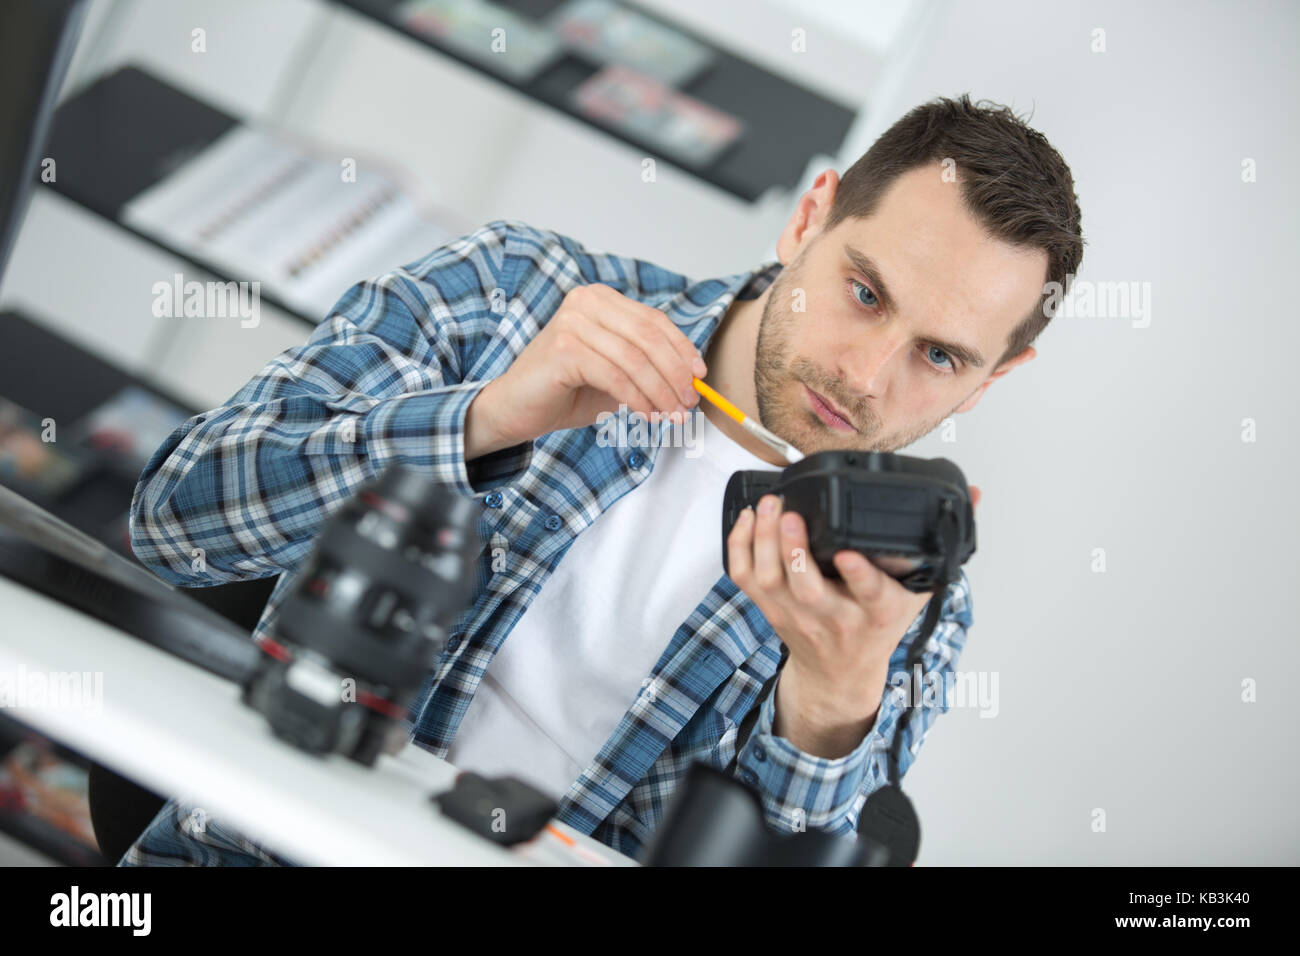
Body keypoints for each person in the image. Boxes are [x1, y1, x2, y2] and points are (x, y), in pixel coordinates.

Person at [119, 94, 1083, 865]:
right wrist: (487, 420)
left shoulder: (908, 590)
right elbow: (172, 522)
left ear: (996, 378)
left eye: (942, 358)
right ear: (807, 219)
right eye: (864, 294)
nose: (867, 377)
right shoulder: (510, 292)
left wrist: (832, 705)